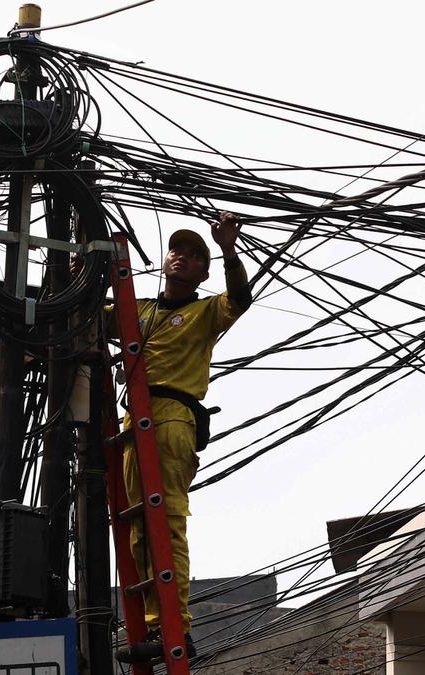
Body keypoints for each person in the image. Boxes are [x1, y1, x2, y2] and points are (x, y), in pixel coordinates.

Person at [114, 211, 251, 663]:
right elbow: (84, 319)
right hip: (134, 419)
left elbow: (240, 299)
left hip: (173, 415)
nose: (182, 258)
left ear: (203, 274)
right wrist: (78, 274)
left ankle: (177, 627)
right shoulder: (138, 311)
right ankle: (156, 625)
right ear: (165, 259)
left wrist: (229, 249)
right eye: (177, 250)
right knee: (140, 529)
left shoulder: (205, 311)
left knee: (166, 520)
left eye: (194, 255)